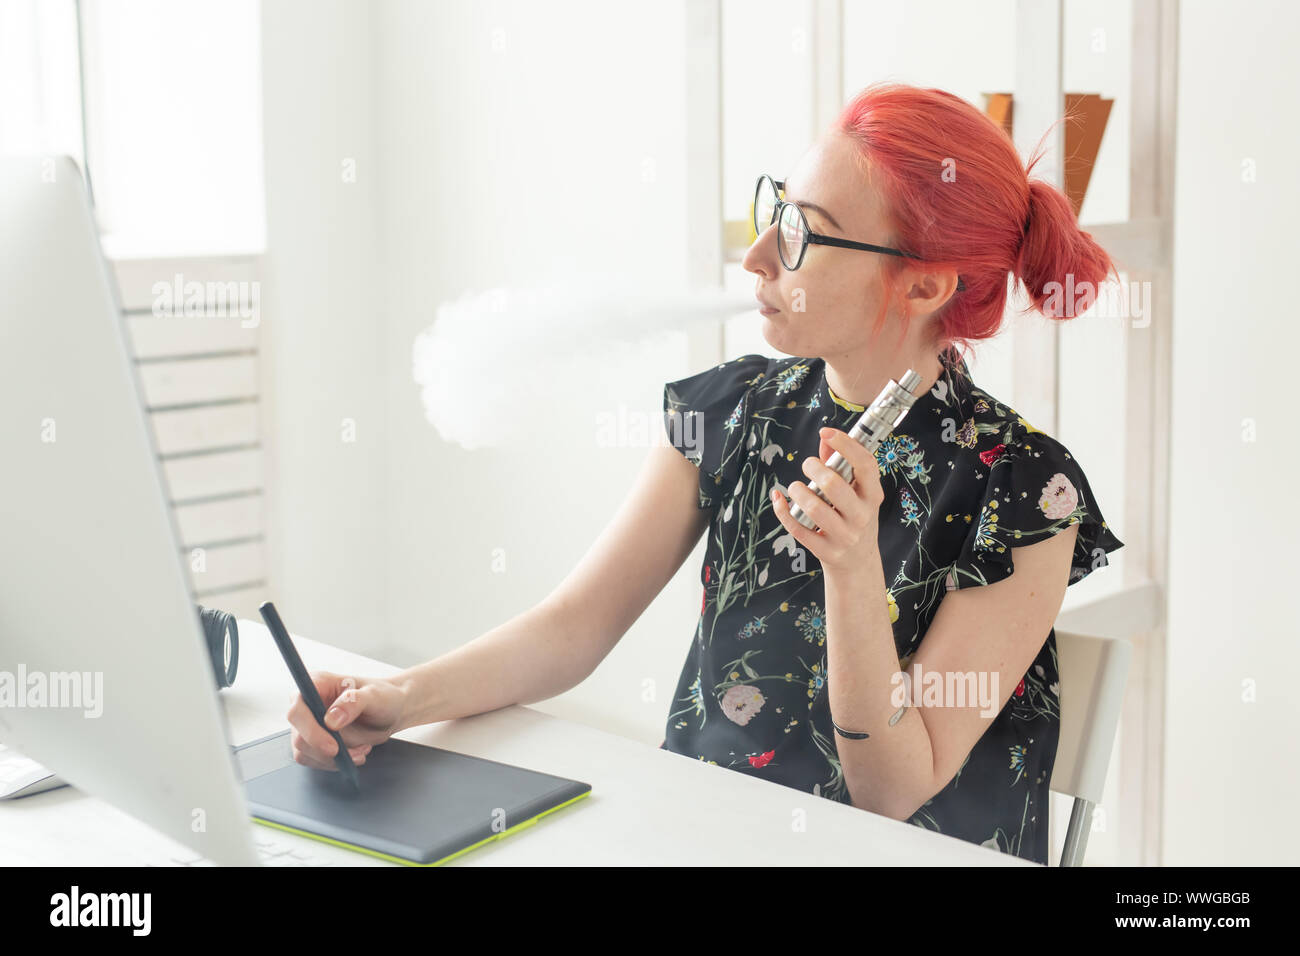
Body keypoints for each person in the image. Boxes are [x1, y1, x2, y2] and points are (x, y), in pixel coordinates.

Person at [286, 82, 1125, 865]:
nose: (757, 256)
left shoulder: (1024, 490)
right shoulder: (729, 411)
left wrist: (851, 569)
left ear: (925, 285)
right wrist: (397, 698)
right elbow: (575, 626)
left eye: (801, 232)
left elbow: (893, 791)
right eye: (776, 212)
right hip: (703, 838)